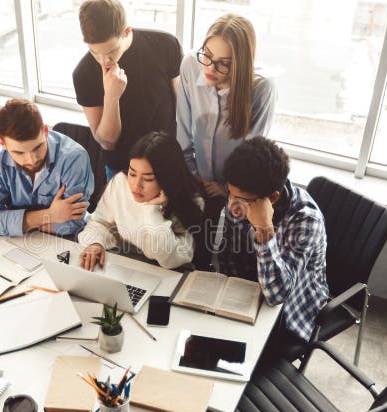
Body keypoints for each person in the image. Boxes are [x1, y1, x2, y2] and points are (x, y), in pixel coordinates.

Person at [176, 14, 277, 267]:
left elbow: (254, 152)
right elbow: (182, 128)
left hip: (235, 191)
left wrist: (228, 189)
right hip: (197, 179)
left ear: (241, 65)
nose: (209, 68)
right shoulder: (190, 65)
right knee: (194, 255)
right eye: (207, 55)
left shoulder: (262, 89)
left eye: (223, 64)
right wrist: (191, 174)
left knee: (229, 261)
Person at [220, 136, 329, 350]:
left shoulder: (306, 220)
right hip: (249, 295)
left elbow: (277, 295)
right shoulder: (241, 197)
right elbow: (230, 257)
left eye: (241, 200)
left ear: (272, 198)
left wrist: (264, 230)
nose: (232, 206)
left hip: (290, 314)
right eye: (230, 195)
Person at [73, 0, 182, 181]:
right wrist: (111, 97)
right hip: (123, 170)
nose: (104, 60)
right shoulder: (83, 73)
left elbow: (182, 108)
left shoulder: (166, 45)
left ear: (127, 32)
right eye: (94, 52)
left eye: (111, 51)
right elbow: (108, 142)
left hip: (167, 160)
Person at [78, 132, 202, 270]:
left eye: (148, 179)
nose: (136, 185)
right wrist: (96, 243)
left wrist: (152, 210)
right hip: (124, 267)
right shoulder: (121, 183)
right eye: (132, 173)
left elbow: (169, 259)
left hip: (166, 275)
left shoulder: (191, 202)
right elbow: (100, 222)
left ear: (167, 178)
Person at [0, 99, 94, 237]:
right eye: (19, 152)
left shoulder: (75, 158)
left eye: (38, 147)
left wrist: (15, 223)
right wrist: (49, 215)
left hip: (62, 240)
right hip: (16, 242)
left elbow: (74, 224)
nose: (32, 160)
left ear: (45, 130)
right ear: (2, 143)